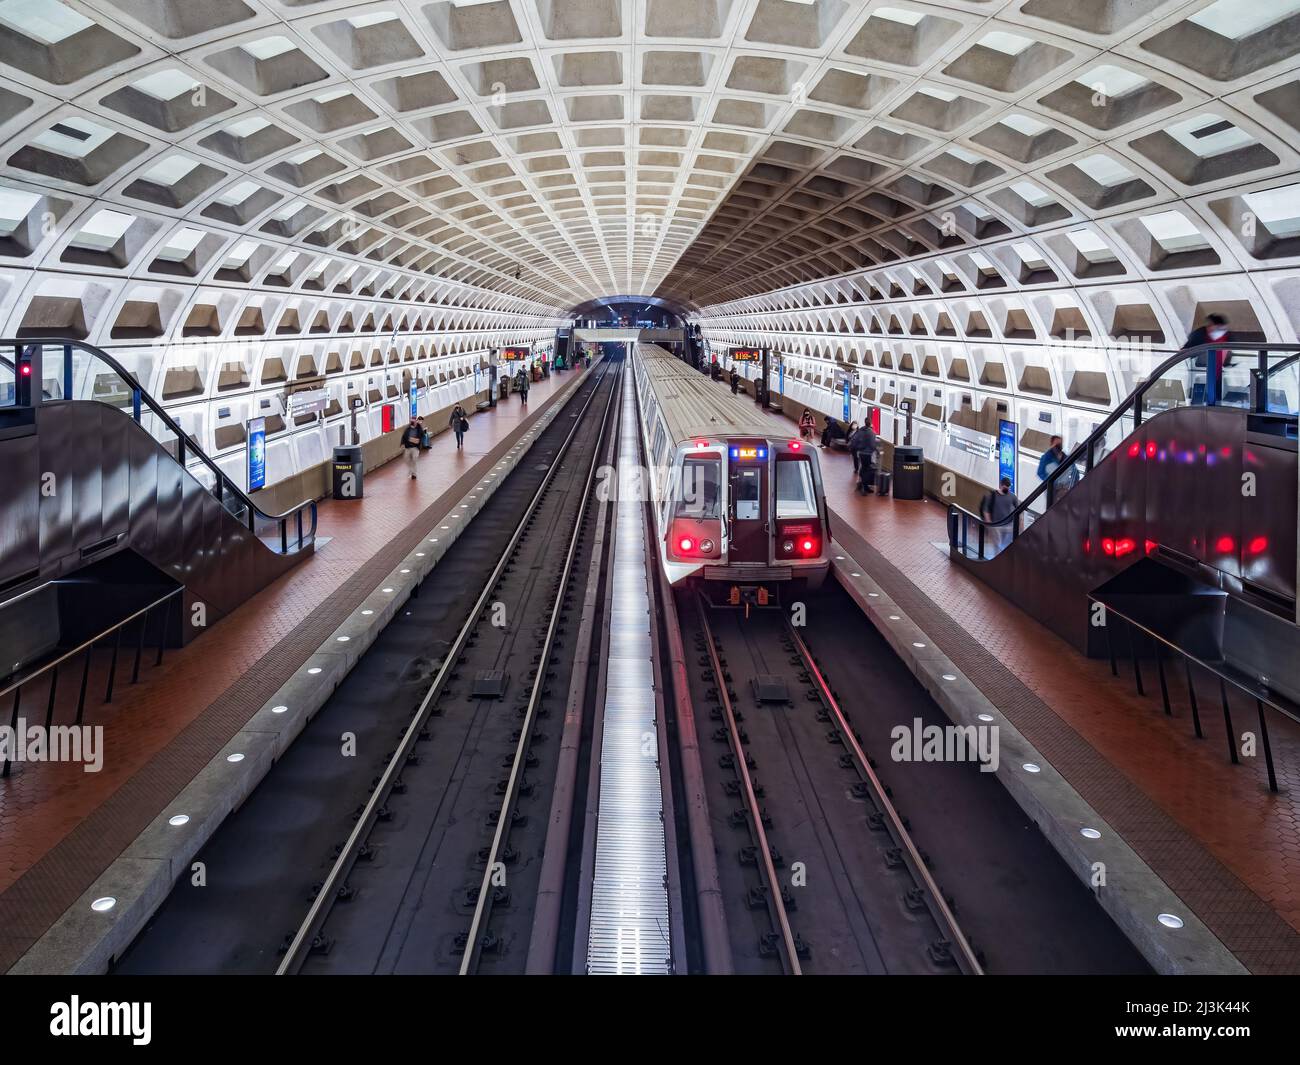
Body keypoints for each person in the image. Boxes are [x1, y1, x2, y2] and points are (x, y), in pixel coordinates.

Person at [1181, 313, 1233, 406]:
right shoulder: (1200, 334)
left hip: (1219, 374)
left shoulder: (1227, 336)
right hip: (1200, 374)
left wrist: (1228, 363)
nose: (1220, 330)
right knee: (1199, 400)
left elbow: (1230, 352)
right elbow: (1185, 350)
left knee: (1217, 400)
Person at [980, 476, 1019, 556]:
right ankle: (997, 557)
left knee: (1006, 543)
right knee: (997, 543)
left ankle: (1003, 557)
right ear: (1000, 486)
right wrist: (989, 524)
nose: (1007, 489)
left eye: (1008, 487)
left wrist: (1020, 522)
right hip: (996, 525)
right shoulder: (991, 496)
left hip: (1008, 525)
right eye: (1005, 487)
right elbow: (986, 510)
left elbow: (1019, 509)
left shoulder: (1012, 497)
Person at [848, 421, 877, 493]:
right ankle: (864, 487)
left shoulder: (860, 431)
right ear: (870, 425)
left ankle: (862, 485)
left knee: (863, 468)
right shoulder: (871, 433)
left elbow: (854, 440)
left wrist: (854, 449)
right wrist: (875, 450)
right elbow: (873, 445)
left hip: (860, 453)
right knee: (867, 470)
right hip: (868, 454)